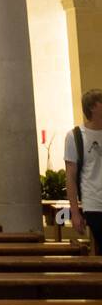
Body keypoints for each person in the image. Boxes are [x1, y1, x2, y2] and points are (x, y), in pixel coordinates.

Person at [65, 88, 102, 251]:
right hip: (94, 203)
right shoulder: (75, 136)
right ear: (93, 107)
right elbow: (71, 176)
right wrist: (75, 211)